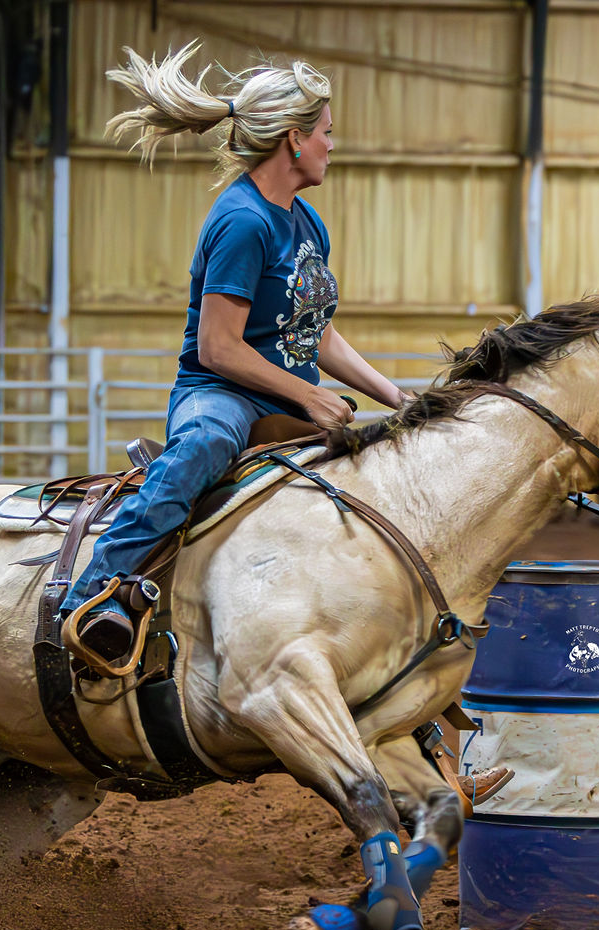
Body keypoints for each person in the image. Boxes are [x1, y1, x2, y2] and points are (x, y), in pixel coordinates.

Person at [62, 41, 410, 664]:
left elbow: (316, 332)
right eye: (328, 133)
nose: (334, 144)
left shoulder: (306, 223)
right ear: (295, 140)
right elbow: (218, 348)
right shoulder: (243, 222)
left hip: (287, 398)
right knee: (203, 446)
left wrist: (396, 397)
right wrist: (308, 394)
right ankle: (97, 592)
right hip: (220, 394)